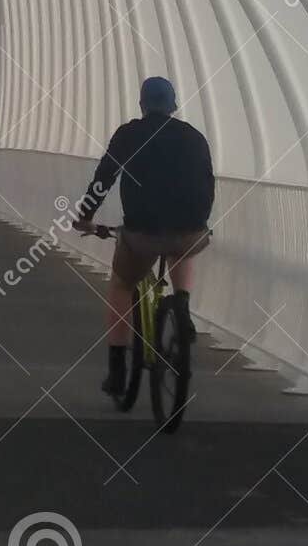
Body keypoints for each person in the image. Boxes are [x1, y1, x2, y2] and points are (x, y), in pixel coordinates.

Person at [72, 76, 214, 397]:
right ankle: (182, 303)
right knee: (182, 246)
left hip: (142, 232)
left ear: (142, 106)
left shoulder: (129, 134)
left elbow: (103, 179)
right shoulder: (194, 137)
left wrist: (85, 217)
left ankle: (118, 371)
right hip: (191, 226)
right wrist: (200, 220)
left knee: (122, 284)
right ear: (174, 106)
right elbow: (207, 182)